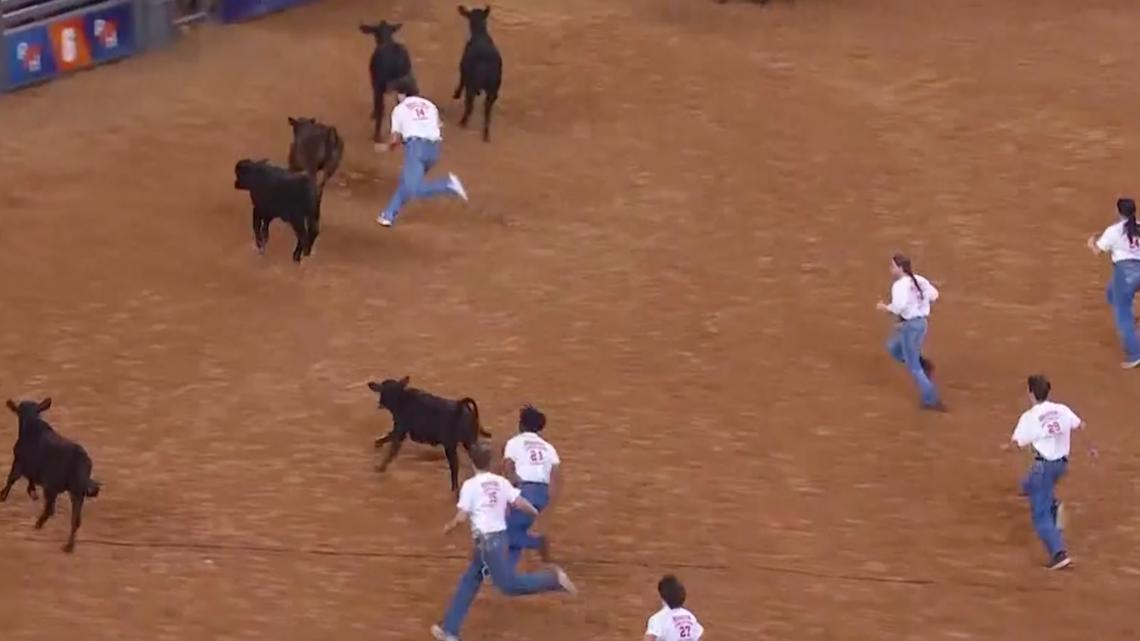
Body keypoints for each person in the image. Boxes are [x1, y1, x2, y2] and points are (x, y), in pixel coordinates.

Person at [431, 443, 576, 641]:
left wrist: (448, 528)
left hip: (488, 543)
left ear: (472, 463)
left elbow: (461, 517)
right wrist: (534, 512)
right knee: (470, 581)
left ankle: (552, 580)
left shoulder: (471, 485)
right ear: (490, 463)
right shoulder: (500, 482)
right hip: (496, 540)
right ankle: (449, 630)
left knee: (508, 585)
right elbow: (519, 502)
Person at [1002, 375, 1097, 570]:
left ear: (1030, 393)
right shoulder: (1062, 409)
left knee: (1040, 516)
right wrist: (1091, 448)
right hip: (1061, 466)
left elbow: (1017, 444)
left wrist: (1006, 447)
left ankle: (1058, 553)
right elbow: (1081, 425)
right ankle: (1045, 498)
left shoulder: (1029, 417)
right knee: (1029, 484)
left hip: (1044, 469)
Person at [376, 77, 468, 227]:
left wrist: (386, 147)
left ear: (402, 94)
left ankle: (447, 185)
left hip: (416, 149)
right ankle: (388, 214)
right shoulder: (430, 105)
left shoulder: (399, 109)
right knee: (407, 182)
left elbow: (395, 139)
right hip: (434, 150)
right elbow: (437, 126)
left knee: (414, 188)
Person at [875, 254, 944, 411]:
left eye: (893, 266)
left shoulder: (899, 286)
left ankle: (931, 400)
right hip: (918, 324)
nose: (890, 269)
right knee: (893, 346)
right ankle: (922, 363)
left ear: (900, 268)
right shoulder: (919, 280)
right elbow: (935, 295)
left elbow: (898, 307)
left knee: (914, 367)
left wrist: (884, 307)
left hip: (911, 327)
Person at [503, 404, 560, 567]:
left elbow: (508, 468)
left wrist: (510, 493)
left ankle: (538, 543)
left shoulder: (514, 443)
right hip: (542, 492)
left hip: (524, 490)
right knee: (517, 527)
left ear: (521, 425)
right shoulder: (548, 447)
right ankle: (509, 568)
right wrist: (547, 500)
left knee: (505, 531)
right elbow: (554, 474)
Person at [1087, 197, 1140, 368]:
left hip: (1125, 275)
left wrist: (1090, 243)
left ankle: (1135, 353)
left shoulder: (1114, 231)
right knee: (1112, 292)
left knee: (1122, 315)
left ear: (1118, 212)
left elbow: (1098, 250)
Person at [644, 575, 704, 641]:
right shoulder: (690, 616)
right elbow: (699, 635)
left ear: (662, 596)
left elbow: (649, 639)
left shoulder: (658, 619)